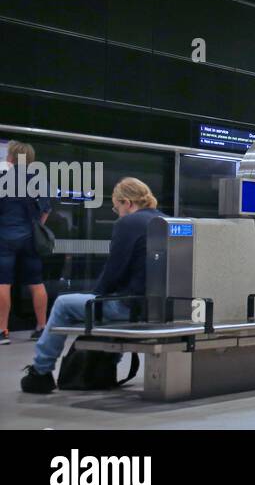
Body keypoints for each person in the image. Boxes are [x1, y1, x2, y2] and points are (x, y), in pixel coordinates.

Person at [21, 178, 164, 394]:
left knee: (62, 303)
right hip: (160, 308)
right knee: (88, 303)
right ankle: (103, 366)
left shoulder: (128, 223)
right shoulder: (165, 220)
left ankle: (40, 372)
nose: (118, 213)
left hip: (130, 307)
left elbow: (114, 269)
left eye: (117, 208)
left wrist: (96, 296)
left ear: (127, 202)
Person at [0, 141, 50, 345]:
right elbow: (46, 210)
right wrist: (35, 227)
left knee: (3, 283)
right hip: (31, 238)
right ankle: (41, 327)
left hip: (4, 236)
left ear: (10, 157)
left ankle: (2, 330)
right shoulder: (40, 181)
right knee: (36, 283)